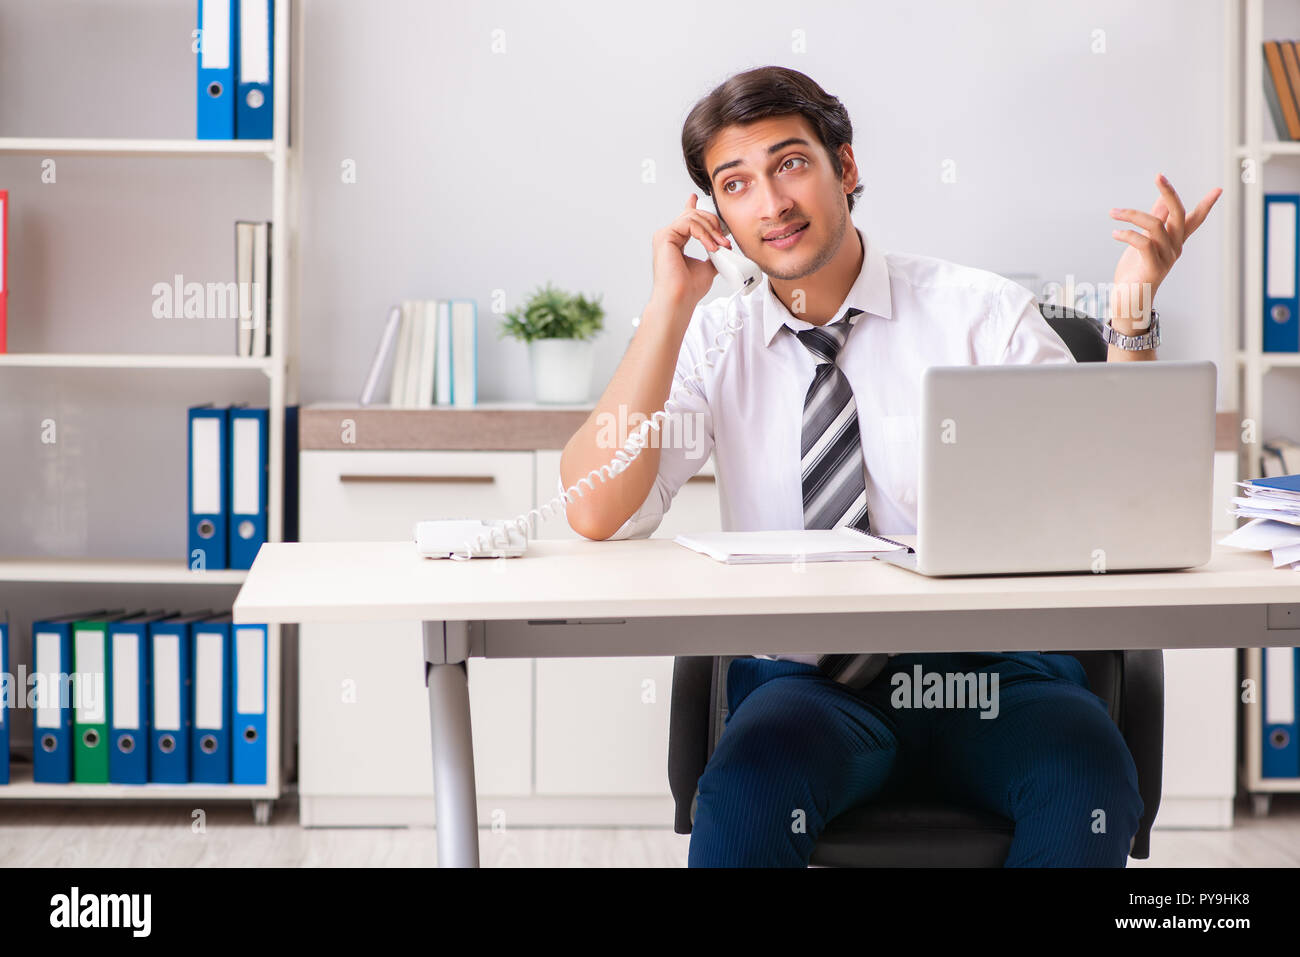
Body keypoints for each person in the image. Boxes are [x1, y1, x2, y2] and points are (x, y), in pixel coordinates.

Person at [559, 66, 1221, 867]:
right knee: (743, 800)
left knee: (1084, 780)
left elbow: (1113, 499)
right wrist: (669, 306)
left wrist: (1132, 317)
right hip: (809, 689)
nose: (771, 203)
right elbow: (596, 509)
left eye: (790, 163)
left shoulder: (980, 314)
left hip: (996, 678)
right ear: (716, 217)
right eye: (736, 184)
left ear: (845, 165)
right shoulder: (714, 341)